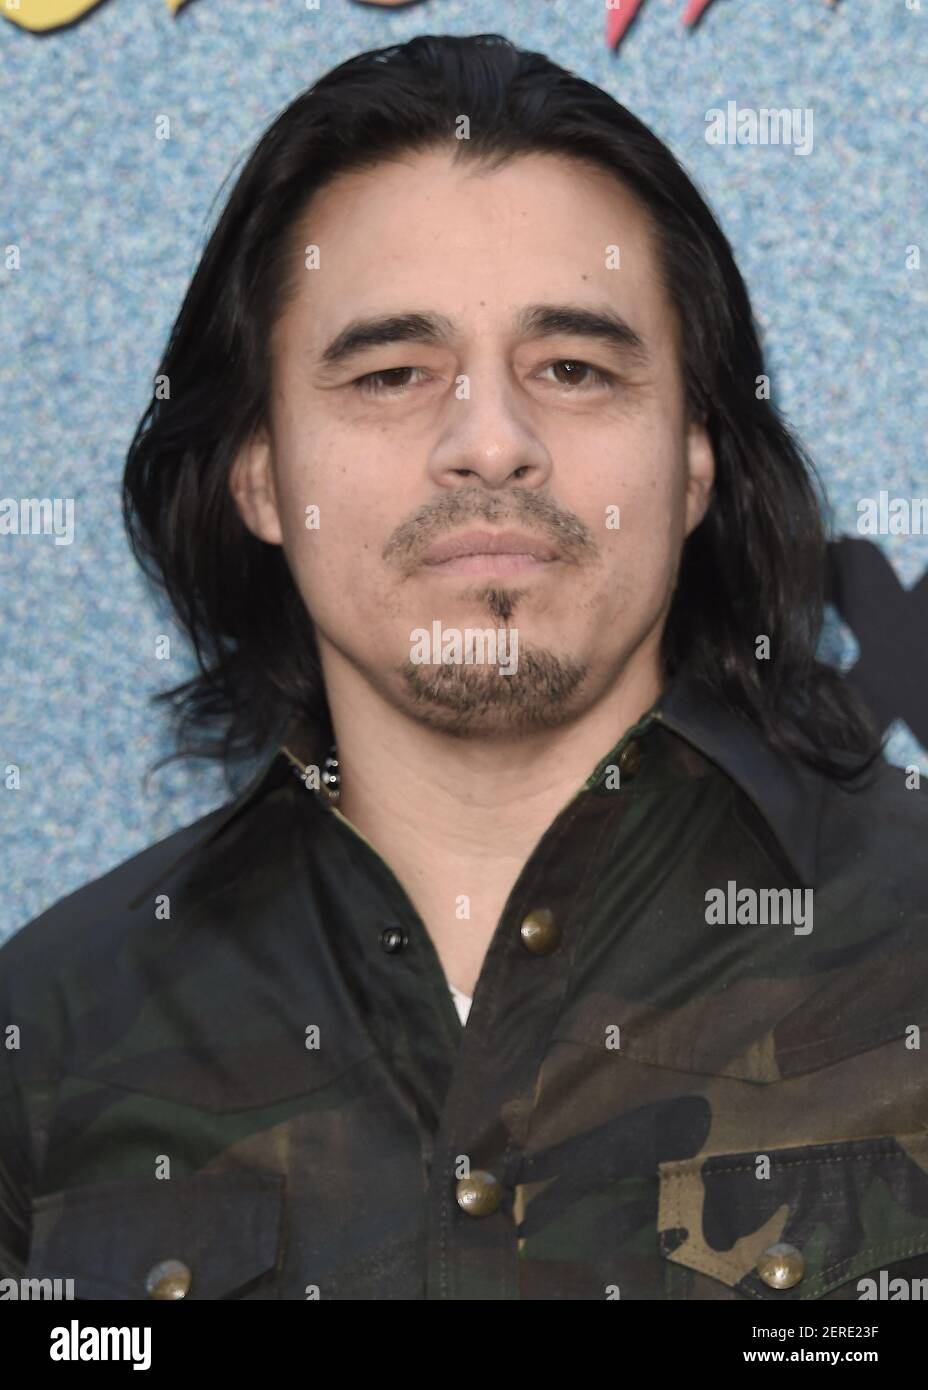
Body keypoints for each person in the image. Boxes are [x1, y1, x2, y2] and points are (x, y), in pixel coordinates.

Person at [2, 33, 926, 1303]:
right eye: (391, 374)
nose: (490, 442)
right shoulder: (44, 1041)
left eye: (574, 369)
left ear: (695, 464)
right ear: (259, 474)